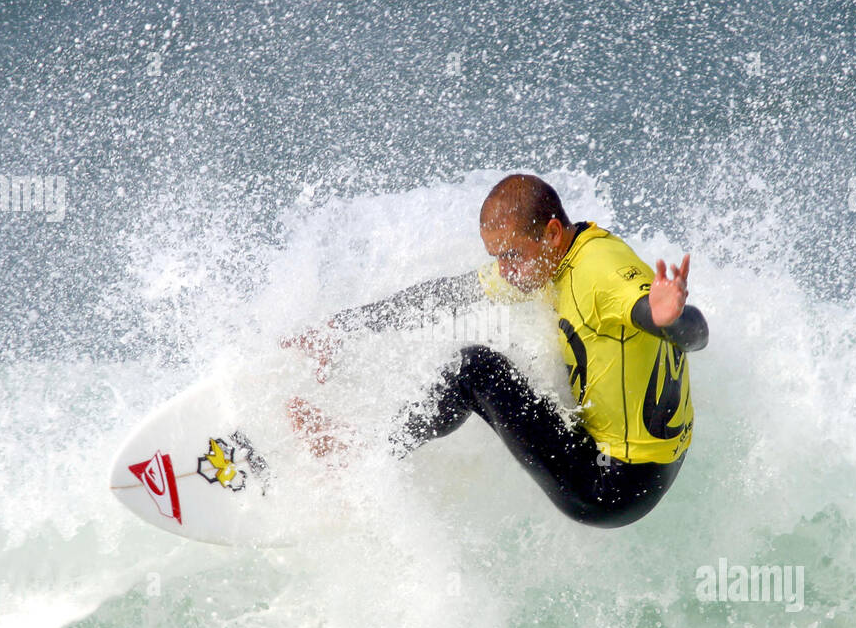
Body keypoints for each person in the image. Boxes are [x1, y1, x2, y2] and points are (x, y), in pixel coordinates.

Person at [281, 173, 708, 529]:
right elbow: (449, 295)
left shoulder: (600, 271)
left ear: (552, 233)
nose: (505, 271)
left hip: (615, 485)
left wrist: (671, 319)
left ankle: (363, 457)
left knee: (476, 369)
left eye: (510, 256)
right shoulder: (551, 257)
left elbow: (695, 331)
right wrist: (343, 328)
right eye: (497, 258)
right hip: (650, 458)